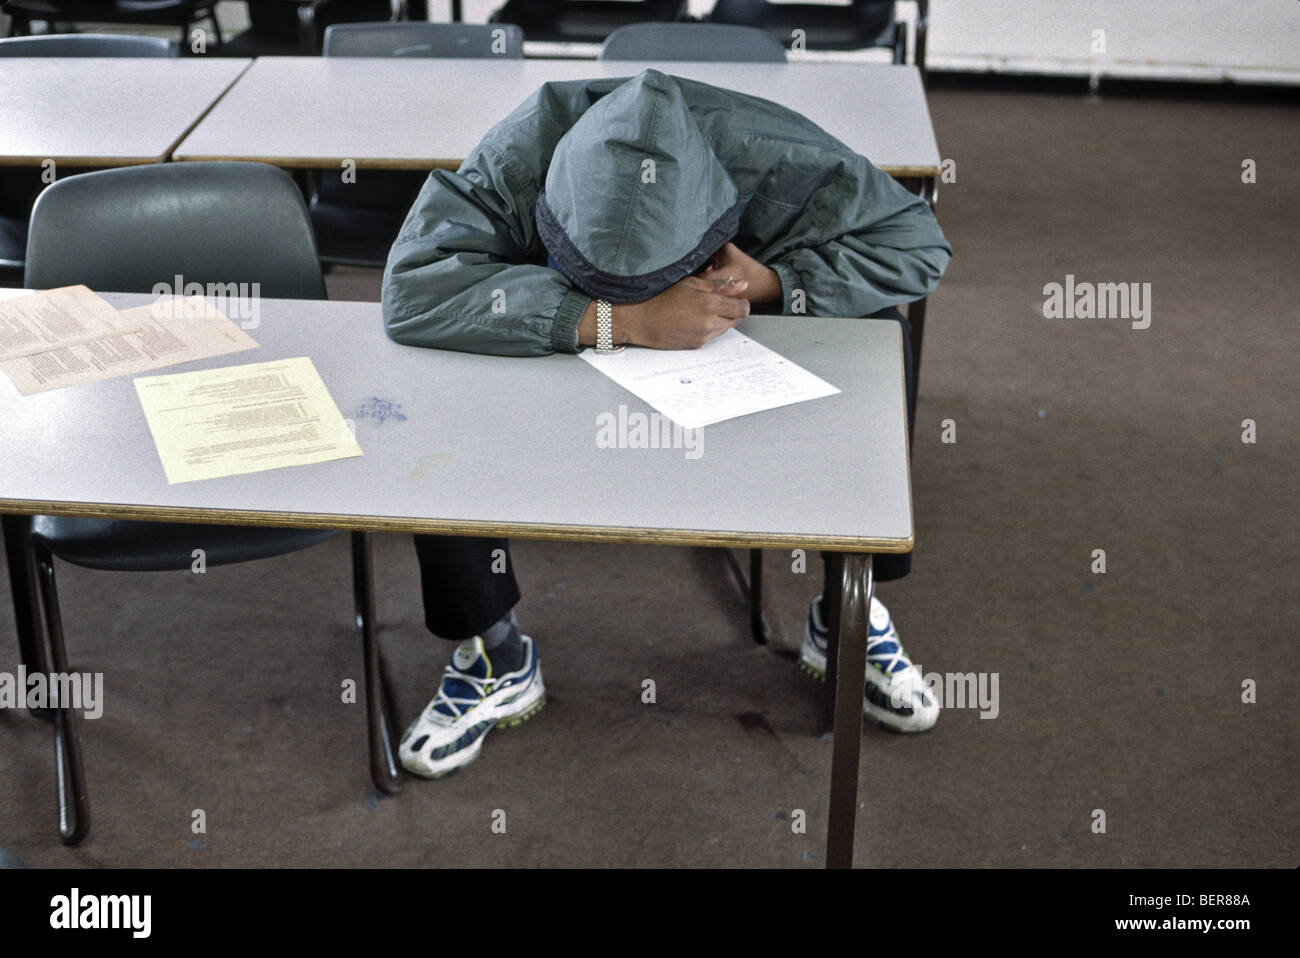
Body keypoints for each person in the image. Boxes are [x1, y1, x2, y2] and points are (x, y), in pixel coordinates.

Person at [382, 69, 952, 779]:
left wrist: (771, 283)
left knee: (880, 334)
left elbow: (918, 243)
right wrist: (617, 318)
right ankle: (492, 649)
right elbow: (409, 287)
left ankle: (847, 610)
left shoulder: (778, 157)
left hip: (727, 342)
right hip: (571, 349)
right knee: (435, 379)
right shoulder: (517, 157)